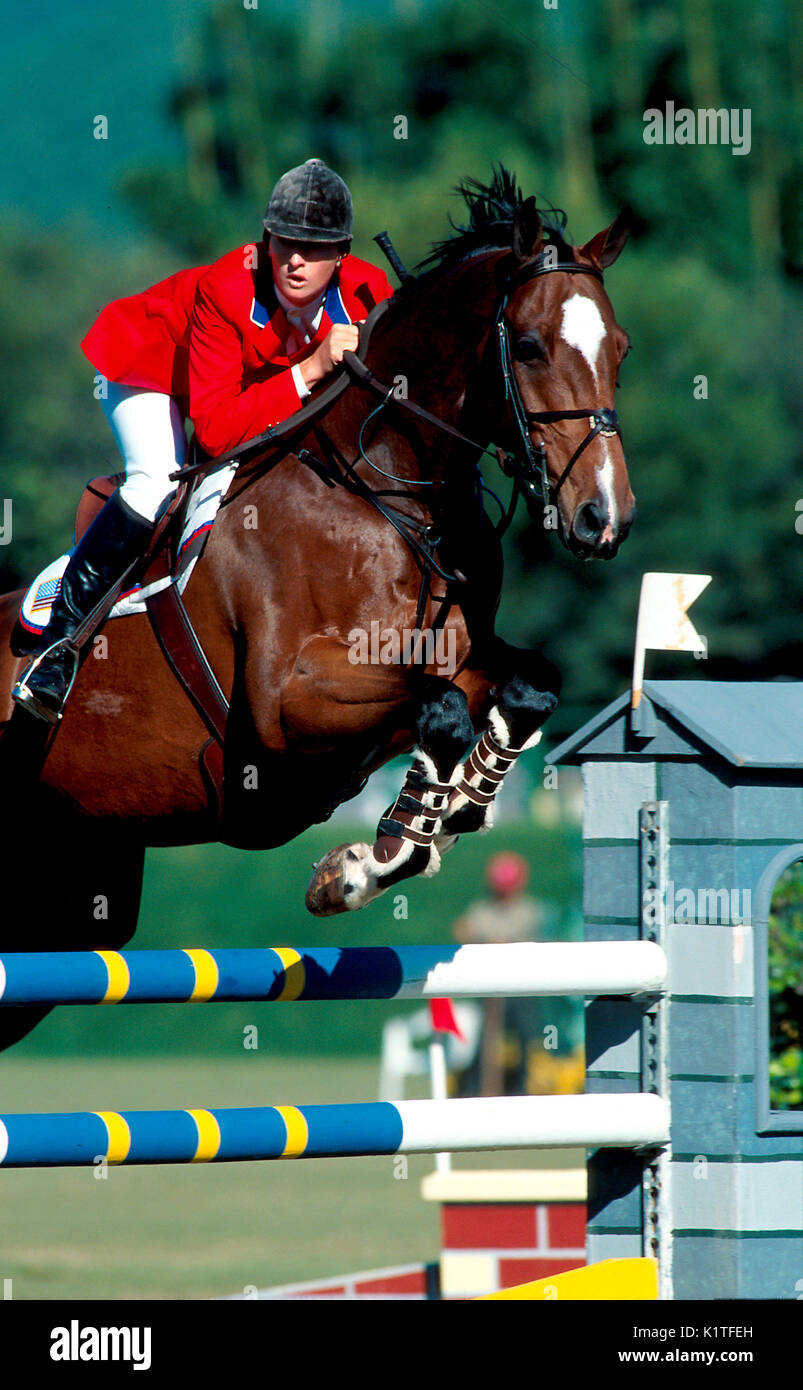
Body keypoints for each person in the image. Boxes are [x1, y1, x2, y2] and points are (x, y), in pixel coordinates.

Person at [13, 159, 394, 724]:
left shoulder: (369, 290)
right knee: (156, 484)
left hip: (235, 388)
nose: (294, 259)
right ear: (266, 239)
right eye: (284, 242)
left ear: (341, 254)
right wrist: (311, 366)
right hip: (151, 363)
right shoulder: (225, 289)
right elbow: (216, 431)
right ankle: (57, 651)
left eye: (313, 249)